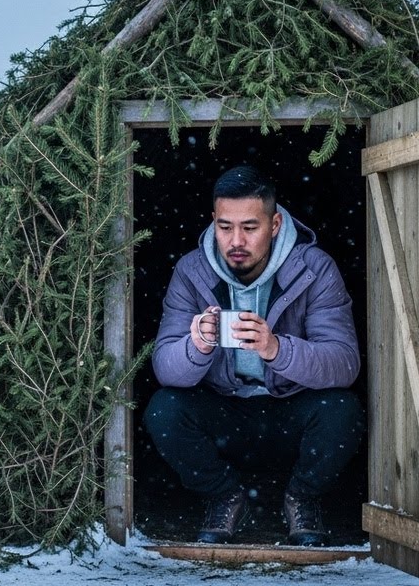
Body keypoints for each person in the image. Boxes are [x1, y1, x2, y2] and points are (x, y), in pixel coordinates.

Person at [144, 165, 363, 546]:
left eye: (250, 227)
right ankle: (224, 496)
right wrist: (195, 346)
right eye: (225, 227)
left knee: (343, 410)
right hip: (224, 411)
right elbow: (164, 367)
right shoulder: (190, 271)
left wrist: (276, 349)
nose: (235, 241)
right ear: (213, 221)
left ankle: (302, 499)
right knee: (164, 409)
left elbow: (344, 362)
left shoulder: (314, 268)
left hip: (292, 409)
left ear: (275, 224)